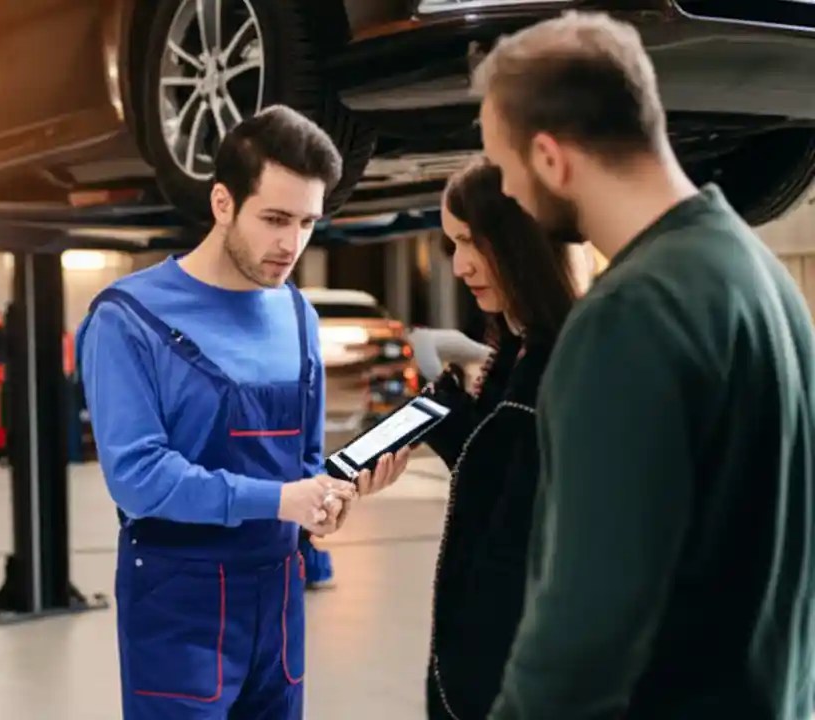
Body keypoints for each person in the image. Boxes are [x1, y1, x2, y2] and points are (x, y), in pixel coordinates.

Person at [472, 12, 815, 718]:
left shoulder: (628, 318)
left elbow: (583, 632)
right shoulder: (758, 276)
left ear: (550, 158)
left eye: (503, 170)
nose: (505, 194)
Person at [77, 105, 407, 720]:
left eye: (308, 222)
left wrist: (329, 501)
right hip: (179, 603)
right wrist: (283, 500)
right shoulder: (128, 318)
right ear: (223, 203)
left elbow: (303, 463)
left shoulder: (299, 316)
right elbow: (138, 477)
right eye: (275, 219)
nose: (291, 244)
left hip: (279, 599)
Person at [392, 156, 577, 720]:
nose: (459, 265)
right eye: (452, 244)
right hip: (474, 674)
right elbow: (496, 477)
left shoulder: (565, 366)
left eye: (471, 241)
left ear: (520, 237)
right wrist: (447, 422)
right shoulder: (516, 353)